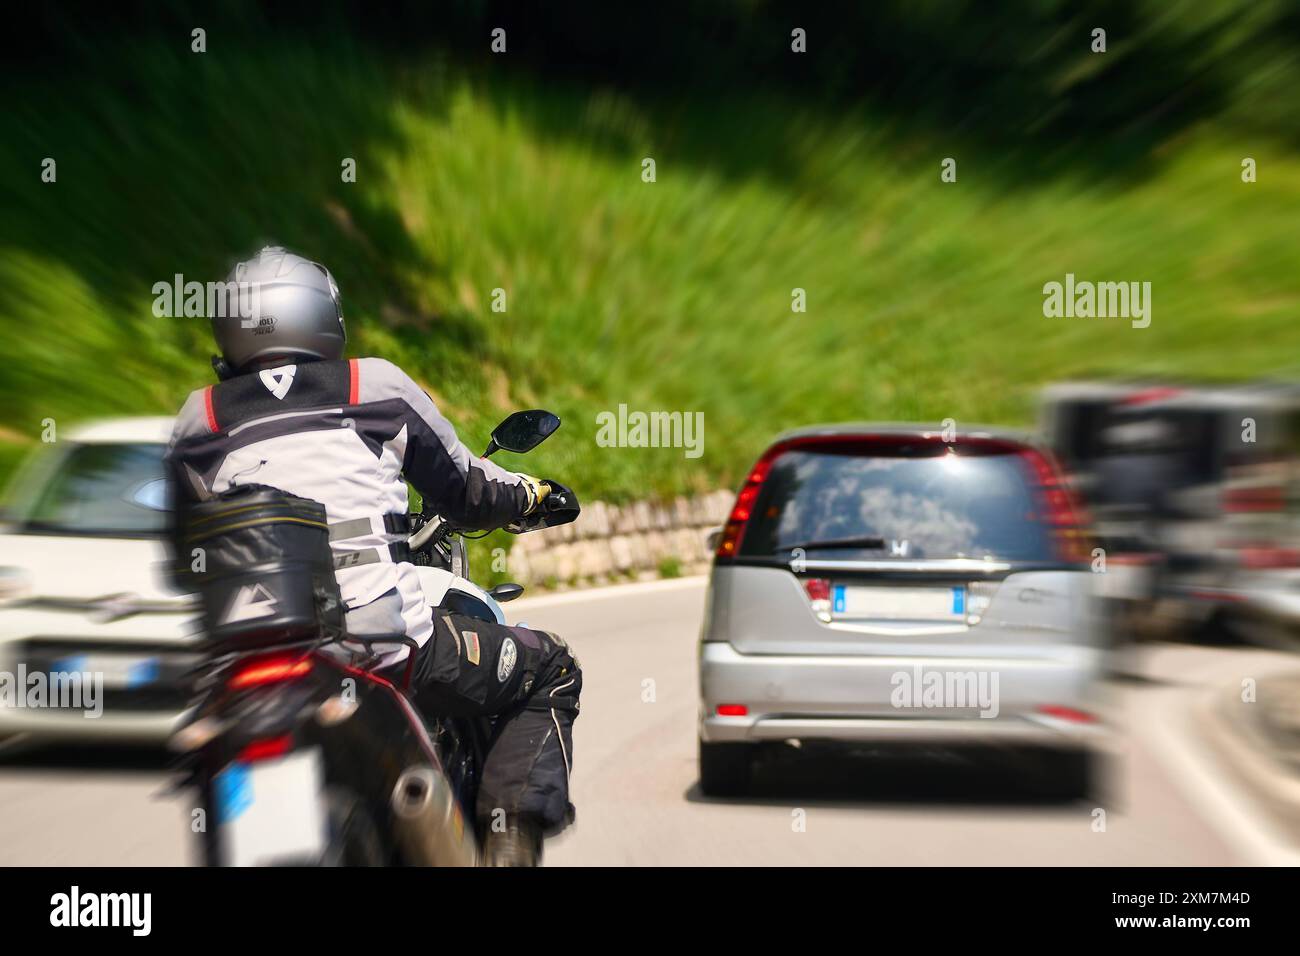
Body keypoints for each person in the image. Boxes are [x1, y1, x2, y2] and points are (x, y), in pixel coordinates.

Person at [164, 246, 580, 865]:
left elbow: (181, 559)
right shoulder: (372, 386)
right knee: (550, 671)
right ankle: (507, 851)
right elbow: (468, 491)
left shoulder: (197, 422)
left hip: (242, 674)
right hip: (375, 644)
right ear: (323, 318)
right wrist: (533, 493)